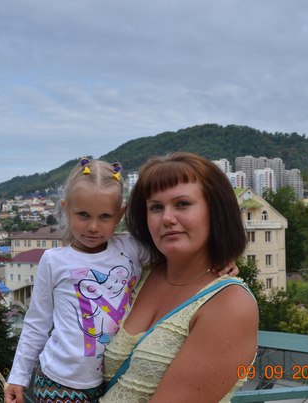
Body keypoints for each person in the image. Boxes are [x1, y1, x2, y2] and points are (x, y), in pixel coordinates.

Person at [5, 158, 238, 403]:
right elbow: (36, 323)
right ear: (66, 209)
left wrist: (221, 257)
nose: (93, 226)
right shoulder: (54, 260)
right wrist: (18, 377)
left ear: (120, 214)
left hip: (107, 381)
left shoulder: (131, 249)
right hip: (58, 380)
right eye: (83, 215)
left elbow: (179, 253)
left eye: (104, 216)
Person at [100, 152, 259, 403]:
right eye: (156, 207)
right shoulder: (137, 273)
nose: (167, 218)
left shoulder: (229, 304)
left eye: (182, 204)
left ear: (215, 211)